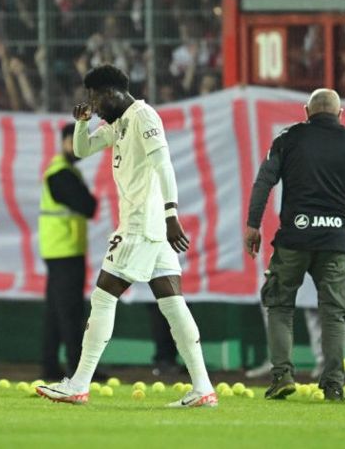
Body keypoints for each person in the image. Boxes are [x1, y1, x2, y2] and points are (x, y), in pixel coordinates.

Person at [36, 64, 217, 408]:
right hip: (148, 229)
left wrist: (171, 214)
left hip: (141, 225)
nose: (92, 104)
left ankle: (78, 383)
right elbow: (81, 150)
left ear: (111, 93)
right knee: (174, 304)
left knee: (103, 298)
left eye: (94, 97)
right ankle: (203, 387)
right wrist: (81, 122)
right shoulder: (116, 124)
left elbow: (165, 165)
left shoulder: (143, 116)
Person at [244, 89, 345, 402]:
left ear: (306, 111)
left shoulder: (288, 138)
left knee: (279, 305)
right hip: (333, 242)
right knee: (334, 313)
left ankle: (282, 376)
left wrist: (253, 225)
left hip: (293, 239)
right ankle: (333, 384)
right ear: (340, 113)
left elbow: (263, 182)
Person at [39, 123, 98, 381]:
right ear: (65, 142)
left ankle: (51, 366)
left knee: (55, 313)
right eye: (75, 141)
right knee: (71, 312)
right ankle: (78, 368)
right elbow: (88, 205)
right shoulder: (61, 174)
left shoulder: (62, 172)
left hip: (59, 249)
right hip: (65, 250)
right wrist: (89, 199)